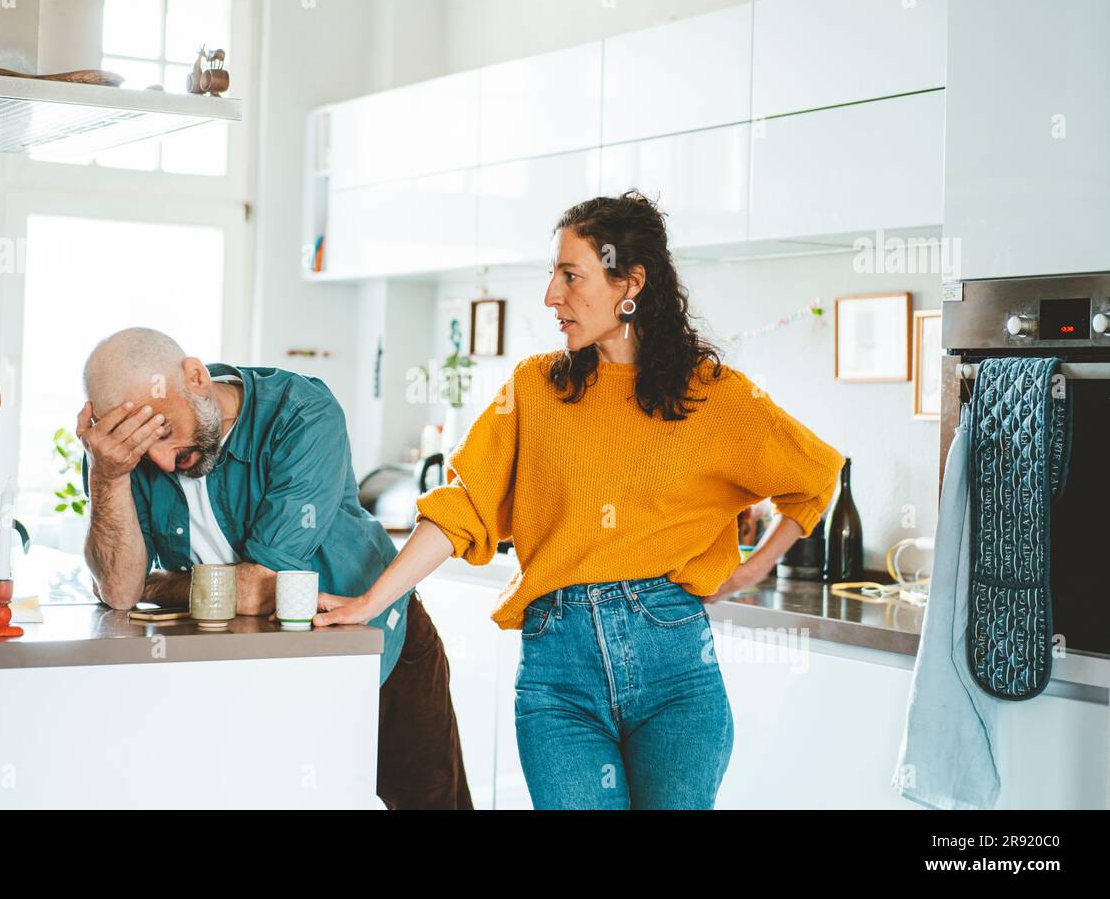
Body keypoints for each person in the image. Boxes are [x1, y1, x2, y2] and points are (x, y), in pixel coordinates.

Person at [316, 191, 845, 809]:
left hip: (675, 668)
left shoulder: (710, 394)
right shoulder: (536, 389)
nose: (551, 296)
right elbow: (464, 504)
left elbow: (814, 475)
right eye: (552, 275)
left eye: (571, 276)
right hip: (557, 675)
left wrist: (753, 568)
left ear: (631, 282)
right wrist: (371, 603)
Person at [77, 328, 472, 810]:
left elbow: (261, 589)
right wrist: (109, 474)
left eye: (163, 432)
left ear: (196, 377)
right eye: (140, 449)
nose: (161, 461)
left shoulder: (301, 414)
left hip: (377, 646)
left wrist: (157, 585)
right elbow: (119, 591)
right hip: (255, 675)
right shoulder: (115, 455)